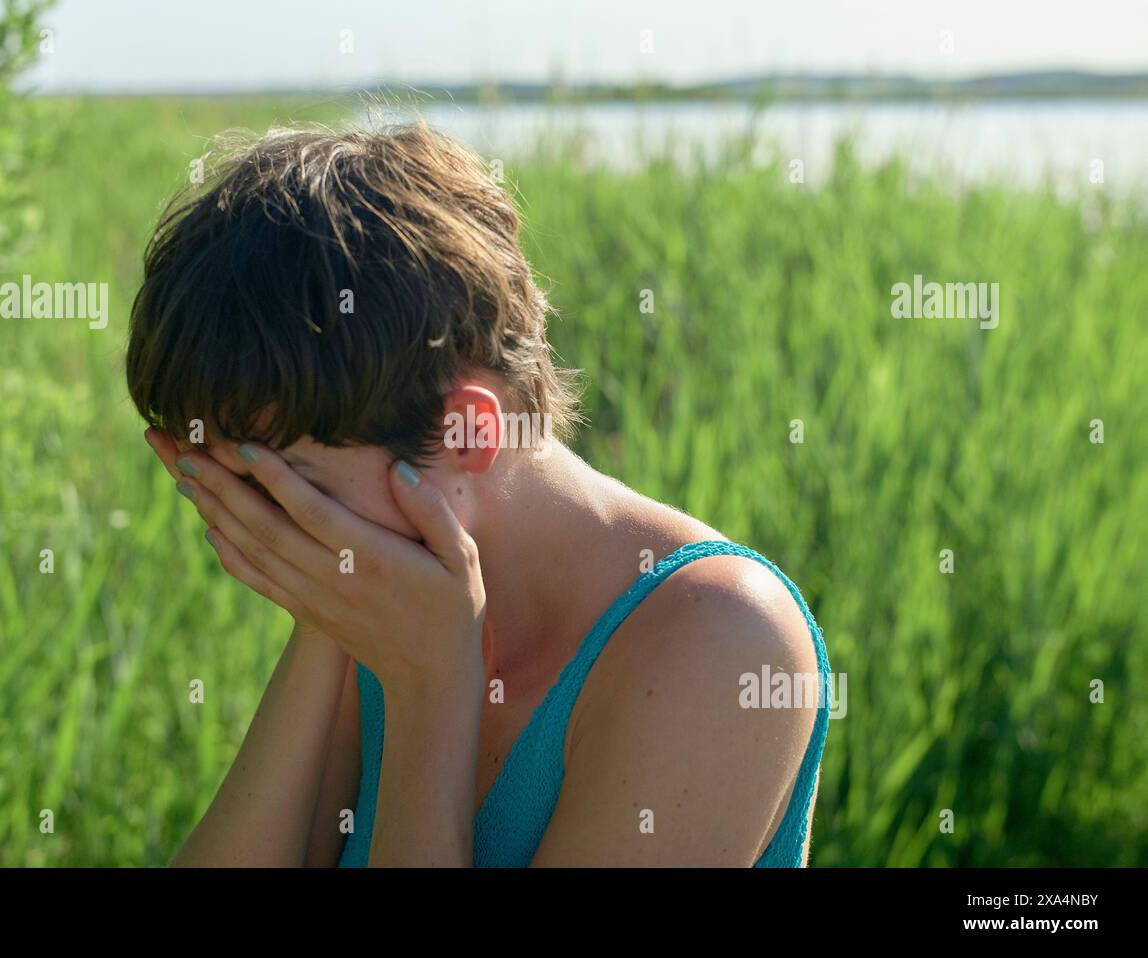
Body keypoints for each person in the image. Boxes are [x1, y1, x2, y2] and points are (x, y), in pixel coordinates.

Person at [127, 121, 831, 867]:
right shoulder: (382, 592)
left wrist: (429, 692)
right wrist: (324, 615)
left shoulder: (722, 639)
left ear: (465, 432)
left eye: (286, 486)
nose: (257, 528)